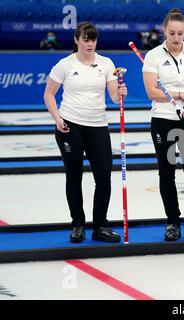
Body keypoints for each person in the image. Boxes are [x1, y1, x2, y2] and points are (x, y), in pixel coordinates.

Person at [44, 22, 127, 243]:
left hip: (98, 126)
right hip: (70, 126)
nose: (90, 43)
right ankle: (77, 224)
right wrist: (57, 119)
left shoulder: (106, 63)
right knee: (74, 176)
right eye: (86, 39)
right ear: (76, 40)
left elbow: (113, 97)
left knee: (104, 178)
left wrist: (120, 93)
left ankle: (100, 225)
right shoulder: (65, 64)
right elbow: (49, 94)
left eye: (93, 39)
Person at [142, 8, 184, 241]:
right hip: (163, 119)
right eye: (171, 33)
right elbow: (152, 91)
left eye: (180, 33)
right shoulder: (153, 56)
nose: (176, 37)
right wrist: (180, 93)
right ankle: (173, 222)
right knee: (167, 172)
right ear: (164, 31)